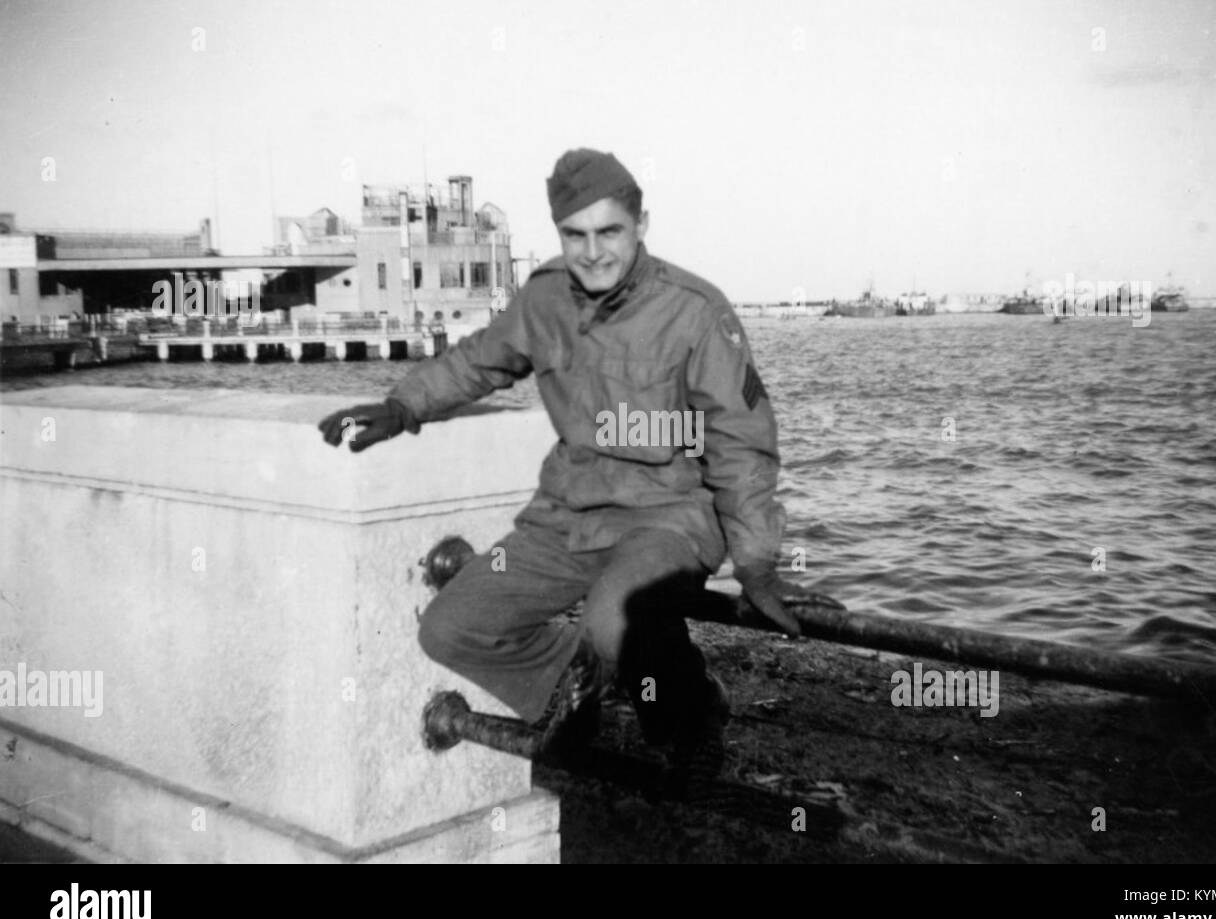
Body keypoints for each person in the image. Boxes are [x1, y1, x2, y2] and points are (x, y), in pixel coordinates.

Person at [319, 148, 841, 782]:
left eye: (609, 231)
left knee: (613, 615)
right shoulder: (543, 300)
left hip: (668, 518)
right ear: (560, 233)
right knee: (450, 626)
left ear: (640, 225)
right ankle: (574, 690)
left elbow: (742, 441)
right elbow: (478, 361)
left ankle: (693, 716)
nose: (593, 251)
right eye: (575, 234)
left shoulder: (696, 311)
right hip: (566, 517)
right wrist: (403, 407)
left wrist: (756, 562)